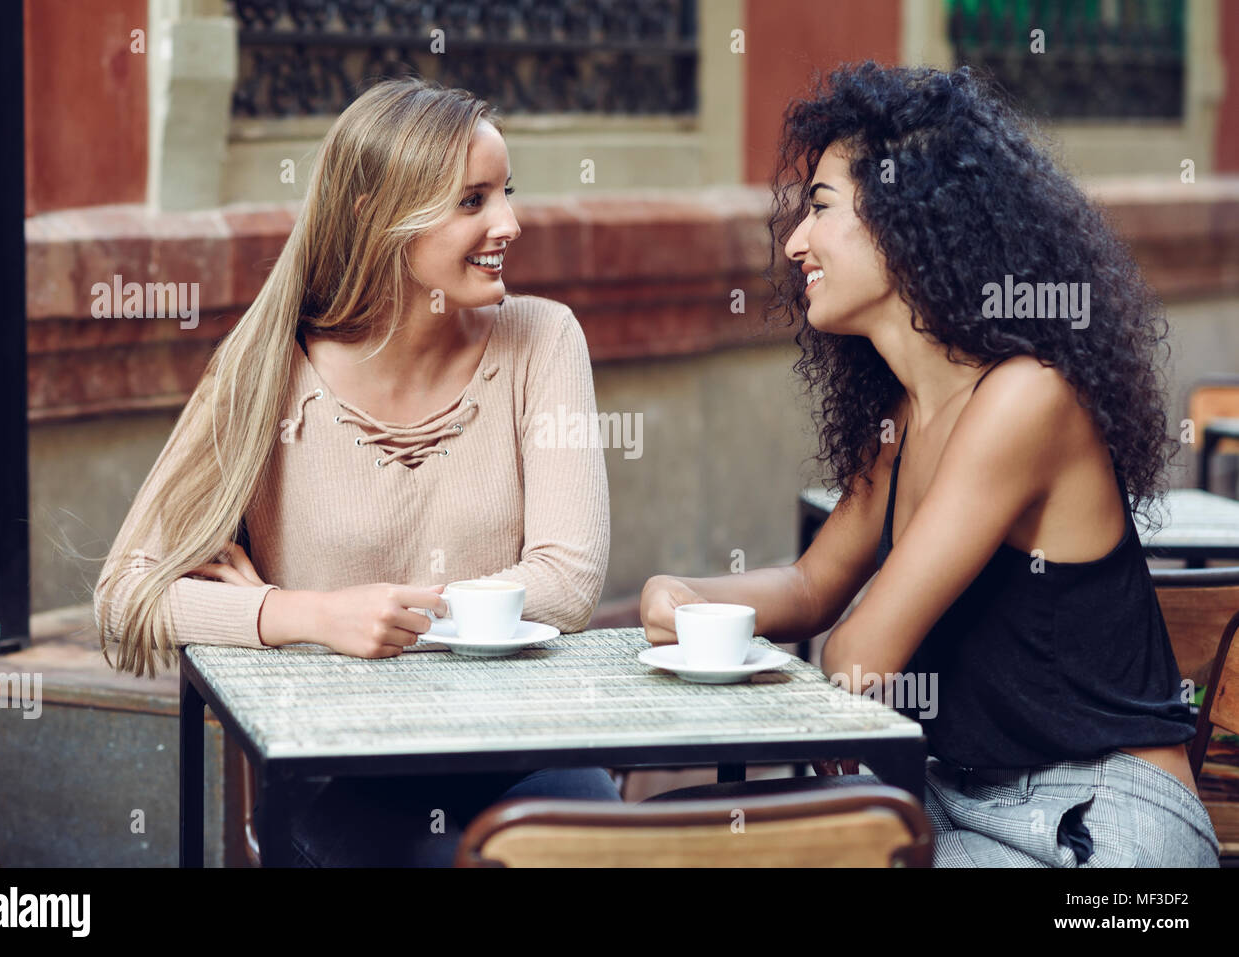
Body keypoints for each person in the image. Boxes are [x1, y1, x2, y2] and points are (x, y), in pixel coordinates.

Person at [639, 62, 1221, 868]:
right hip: (957, 800)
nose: (795, 241)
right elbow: (811, 589)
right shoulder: (902, 419)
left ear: (909, 219)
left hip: (1103, 825)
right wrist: (686, 595)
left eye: (820, 208)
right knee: (678, 843)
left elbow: (858, 657)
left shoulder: (1027, 399)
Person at [93, 77, 620, 866]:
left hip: (523, 743)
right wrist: (304, 616)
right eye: (472, 201)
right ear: (384, 221)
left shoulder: (542, 340)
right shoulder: (264, 371)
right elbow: (126, 593)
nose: (509, 222)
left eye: (505, 192)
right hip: (335, 770)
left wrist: (391, 622)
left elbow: (570, 580)